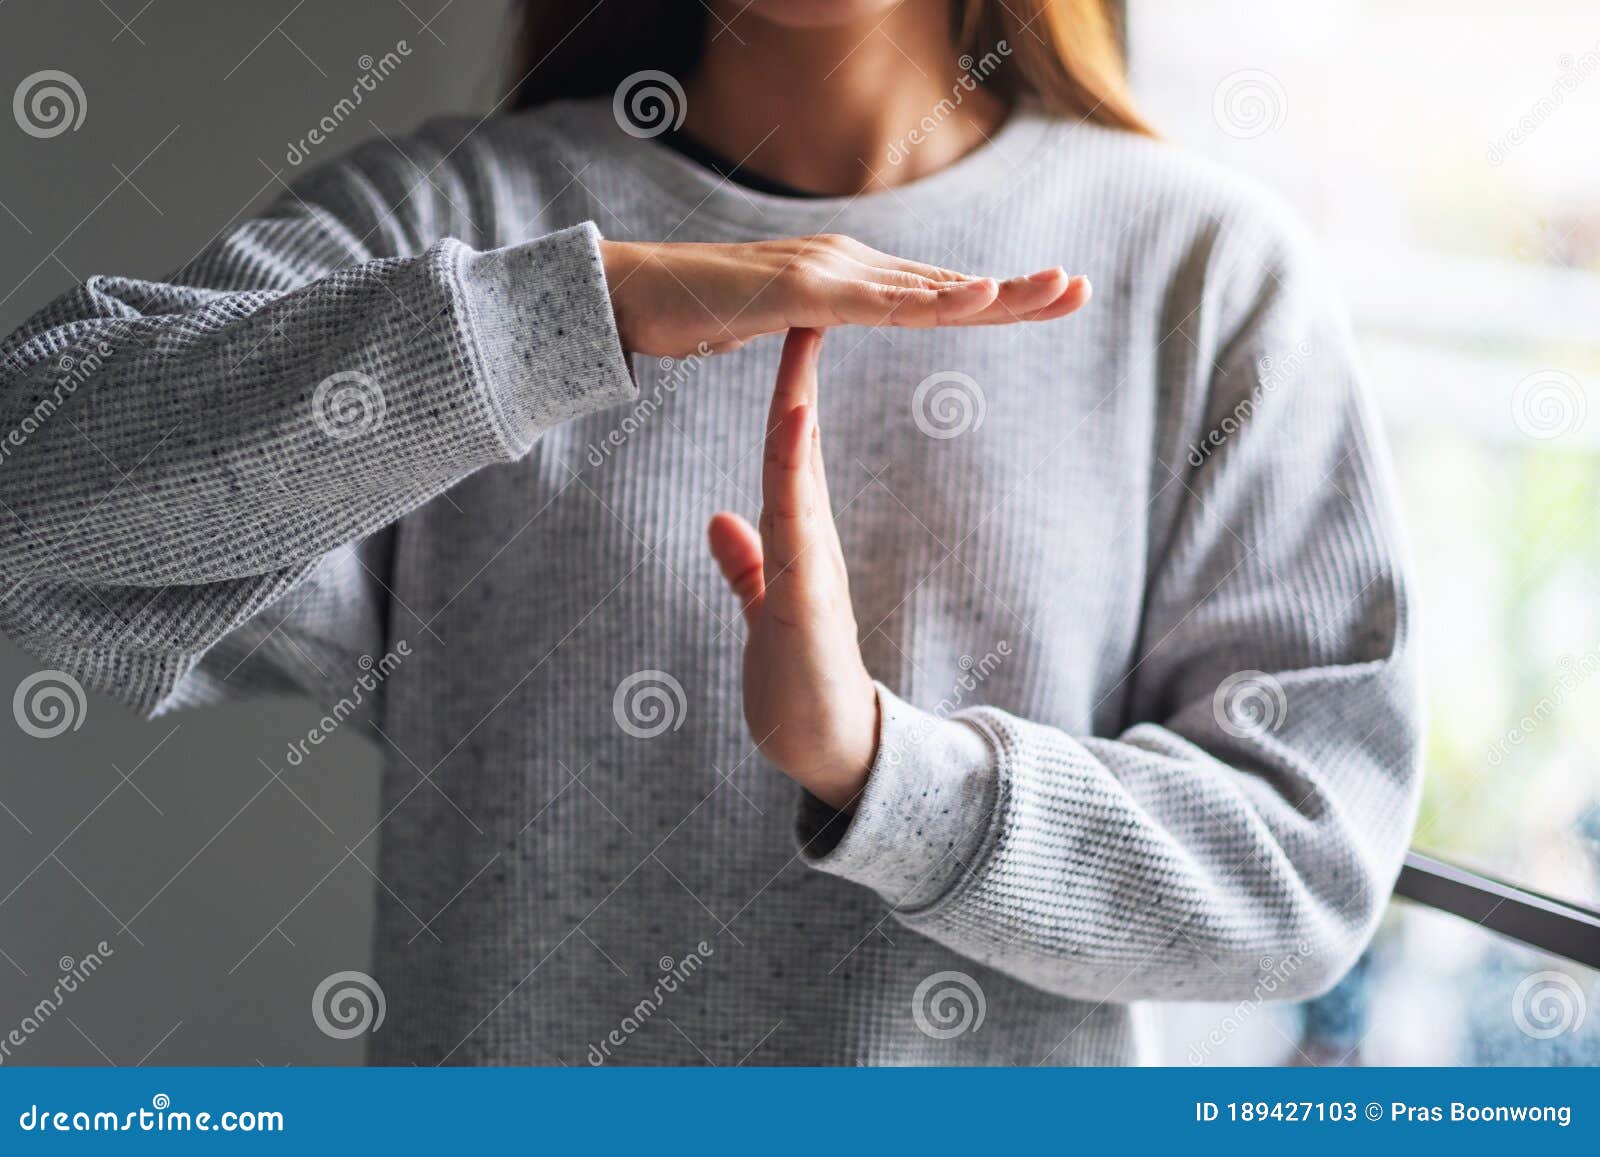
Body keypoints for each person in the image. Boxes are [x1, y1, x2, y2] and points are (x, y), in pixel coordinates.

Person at [0, 0, 1421, 1064]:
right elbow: (28, 504)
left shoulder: (1207, 274)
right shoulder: (461, 216)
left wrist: (884, 773)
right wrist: (577, 314)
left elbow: (1307, 862)